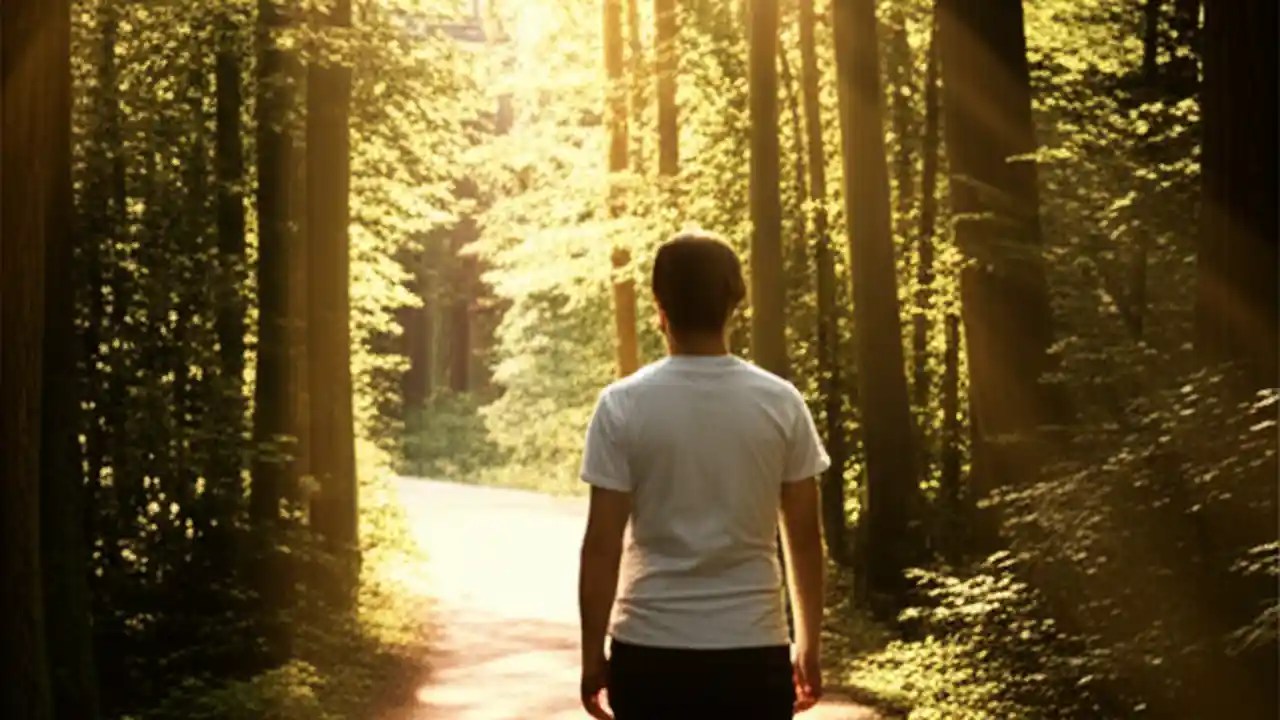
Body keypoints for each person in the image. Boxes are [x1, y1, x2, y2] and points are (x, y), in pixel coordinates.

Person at [577, 230, 830, 719]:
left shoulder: (622, 406)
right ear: (734, 302)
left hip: (650, 651)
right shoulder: (780, 403)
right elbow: (804, 539)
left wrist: (592, 657)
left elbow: (602, 545)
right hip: (752, 651)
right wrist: (808, 648)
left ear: (659, 305)